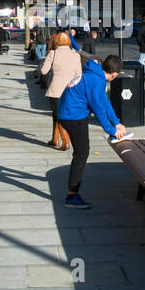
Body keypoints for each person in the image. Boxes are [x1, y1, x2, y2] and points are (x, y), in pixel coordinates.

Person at [56, 54, 128, 208]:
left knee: (81, 152)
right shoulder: (96, 81)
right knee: (82, 153)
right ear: (115, 74)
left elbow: (104, 101)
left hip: (67, 112)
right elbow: (99, 109)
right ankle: (72, 195)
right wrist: (111, 130)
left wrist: (116, 123)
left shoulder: (93, 74)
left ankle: (72, 191)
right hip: (73, 116)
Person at [40, 32, 81, 151]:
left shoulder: (53, 53)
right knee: (57, 115)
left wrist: (48, 58)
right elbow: (79, 75)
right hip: (70, 91)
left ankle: (65, 142)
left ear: (56, 42)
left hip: (56, 91)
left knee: (59, 115)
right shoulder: (76, 55)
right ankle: (54, 139)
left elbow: (43, 71)